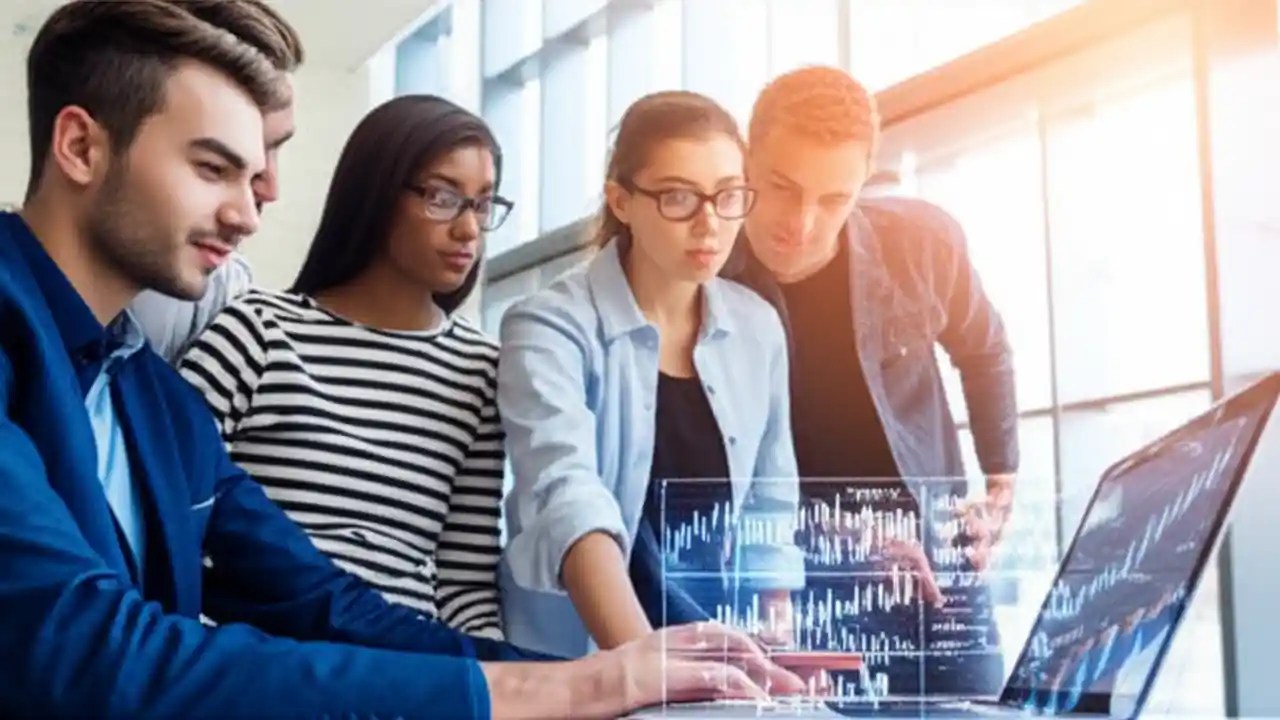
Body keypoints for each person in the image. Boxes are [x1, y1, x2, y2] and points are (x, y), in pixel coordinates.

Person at [0, 3, 803, 717]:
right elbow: (82, 648)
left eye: (256, 177)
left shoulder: (151, 398)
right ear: (80, 145)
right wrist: (569, 687)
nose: (246, 213)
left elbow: (320, 600)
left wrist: (614, 675)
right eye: (213, 169)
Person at [723, 65, 1020, 695]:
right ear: (746, 160)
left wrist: (1001, 484)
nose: (802, 223)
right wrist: (837, 534)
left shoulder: (922, 243)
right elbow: (705, 477)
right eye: (782, 186)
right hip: (793, 581)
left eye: (834, 199)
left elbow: (985, 348)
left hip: (940, 574)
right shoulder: (705, 278)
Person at [179, 94, 512, 639]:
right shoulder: (258, 332)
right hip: (257, 662)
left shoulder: (481, 371)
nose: (469, 230)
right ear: (376, 193)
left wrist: (507, 684)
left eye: (482, 204)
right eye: (442, 197)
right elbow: (168, 511)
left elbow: (463, 583)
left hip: (405, 671)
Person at [497, 91, 806, 659]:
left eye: (729, 195)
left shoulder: (757, 327)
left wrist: (777, 643)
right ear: (621, 200)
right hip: (580, 653)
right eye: (679, 197)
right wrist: (646, 672)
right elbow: (567, 497)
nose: (709, 223)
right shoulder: (547, 325)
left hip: (709, 651)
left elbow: (771, 500)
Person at [129, 0, 301, 364]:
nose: (270, 189)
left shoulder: (224, 290)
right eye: (214, 164)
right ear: (81, 148)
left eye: (272, 150)